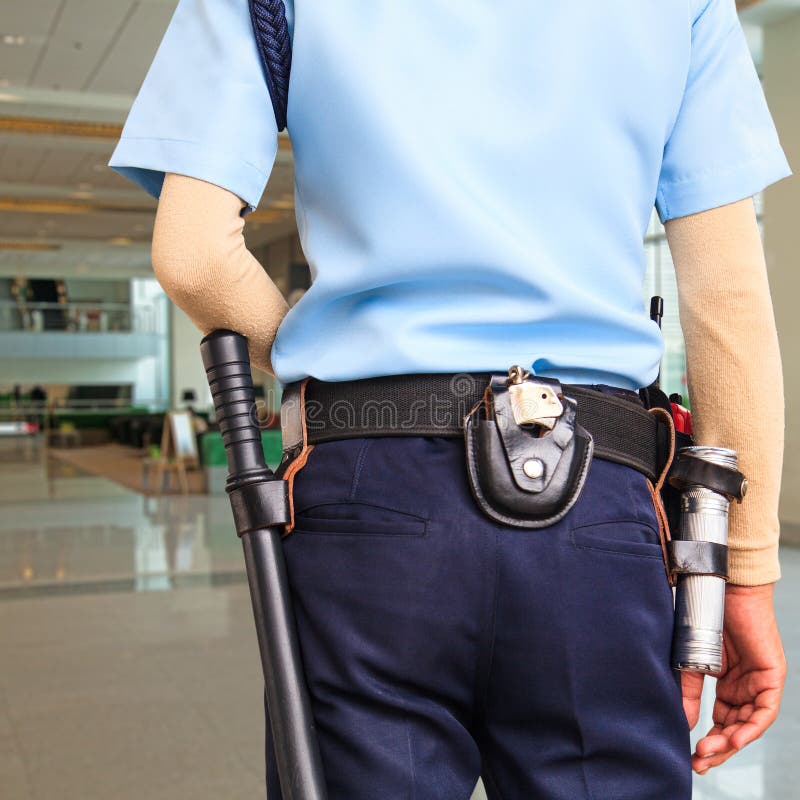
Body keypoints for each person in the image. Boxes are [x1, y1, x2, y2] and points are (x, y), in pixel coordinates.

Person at [109, 1, 790, 797]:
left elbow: (192, 257)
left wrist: (326, 364)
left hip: (367, 497)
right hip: (596, 493)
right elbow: (728, 305)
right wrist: (741, 571)